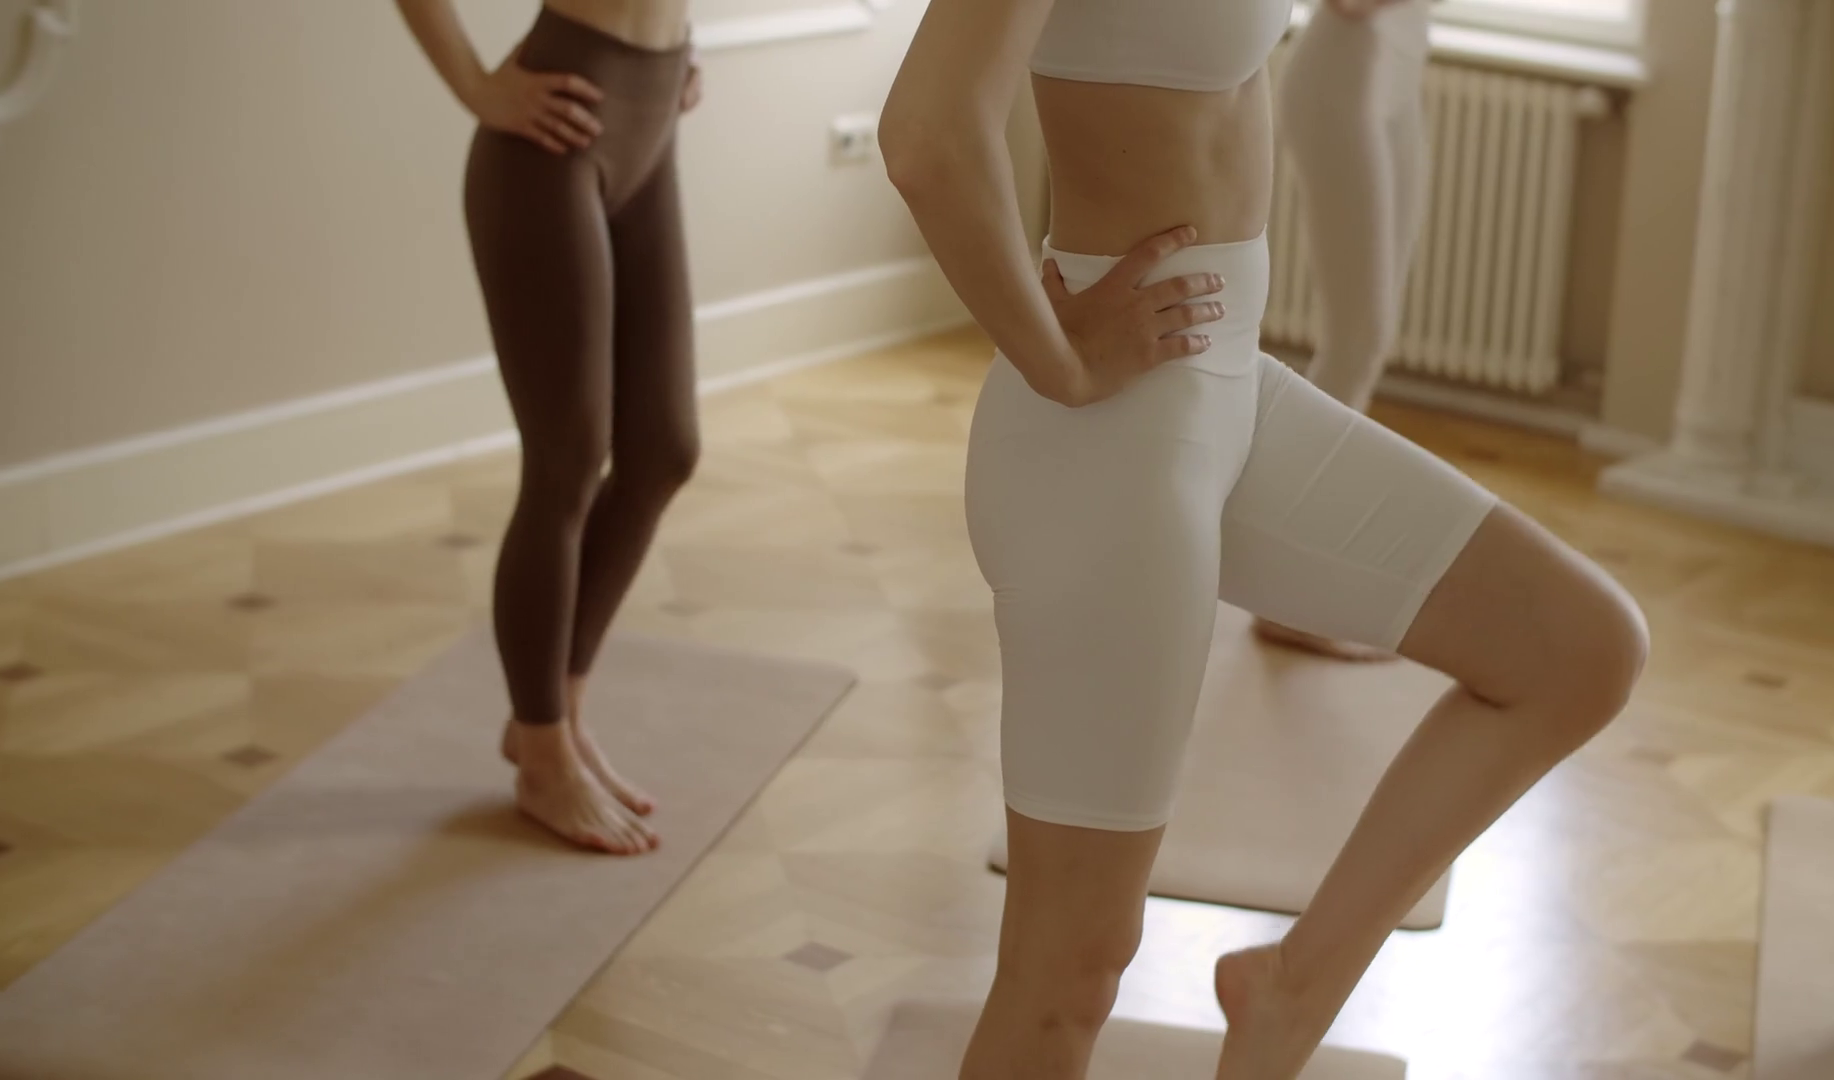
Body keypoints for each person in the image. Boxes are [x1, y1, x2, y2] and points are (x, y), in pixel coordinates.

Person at [878, 0, 1648, 1075]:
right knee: (1068, 972)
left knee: (1578, 648)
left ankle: (1287, 994)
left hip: (1226, 391)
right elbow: (926, 134)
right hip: (1110, 439)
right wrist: (1058, 356)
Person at [397, 0, 703, 855]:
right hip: (549, 135)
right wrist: (474, 85)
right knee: (567, 459)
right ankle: (539, 750)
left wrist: (680, 45)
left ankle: (559, 715)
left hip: (651, 105)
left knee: (663, 450)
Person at [1252, 0, 1437, 661]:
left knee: (1371, 342)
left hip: (1397, 81)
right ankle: (1284, 588)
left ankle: (1312, 572)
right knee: (1357, 338)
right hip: (1340, 85)